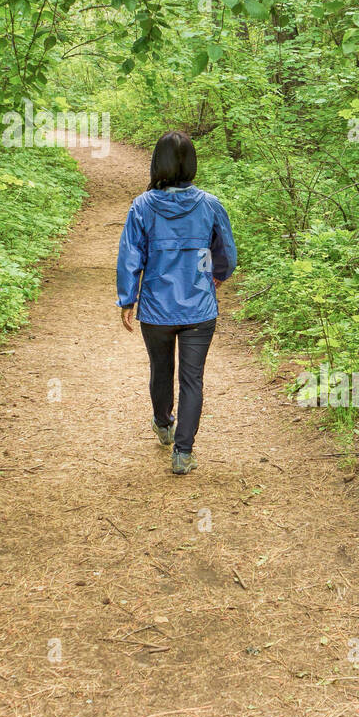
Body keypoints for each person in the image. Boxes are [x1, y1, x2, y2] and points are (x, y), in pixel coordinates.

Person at [116, 131, 237, 475]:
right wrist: (218, 275)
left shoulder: (142, 206)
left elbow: (130, 256)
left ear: (158, 163)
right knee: (192, 379)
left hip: (156, 309)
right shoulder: (210, 204)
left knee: (161, 369)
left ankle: (162, 422)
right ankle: (183, 452)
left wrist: (128, 299)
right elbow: (225, 251)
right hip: (199, 306)